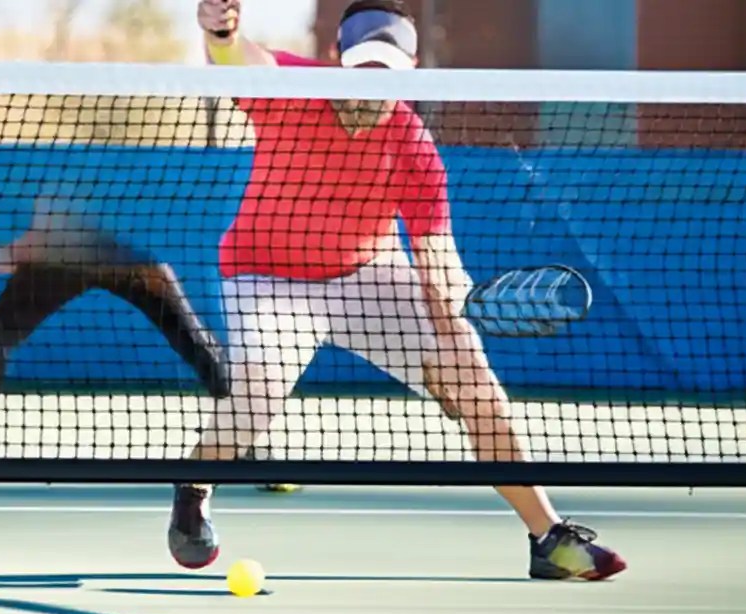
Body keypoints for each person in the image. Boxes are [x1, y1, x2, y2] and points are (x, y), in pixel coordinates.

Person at [166, 0, 628, 581]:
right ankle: (195, 486)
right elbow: (239, 59)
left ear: (410, 70)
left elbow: (438, 259)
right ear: (338, 59)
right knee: (258, 388)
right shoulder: (291, 87)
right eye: (363, 70)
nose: (372, 88)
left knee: (476, 383)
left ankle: (548, 536)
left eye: (387, 73)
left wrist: (456, 317)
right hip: (266, 276)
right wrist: (225, 31)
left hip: (367, 276)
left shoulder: (415, 148)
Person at [0, 197, 234, 490]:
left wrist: (25, 247)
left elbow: (56, 218)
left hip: (99, 260)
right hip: (89, 261)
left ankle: (241, 431)